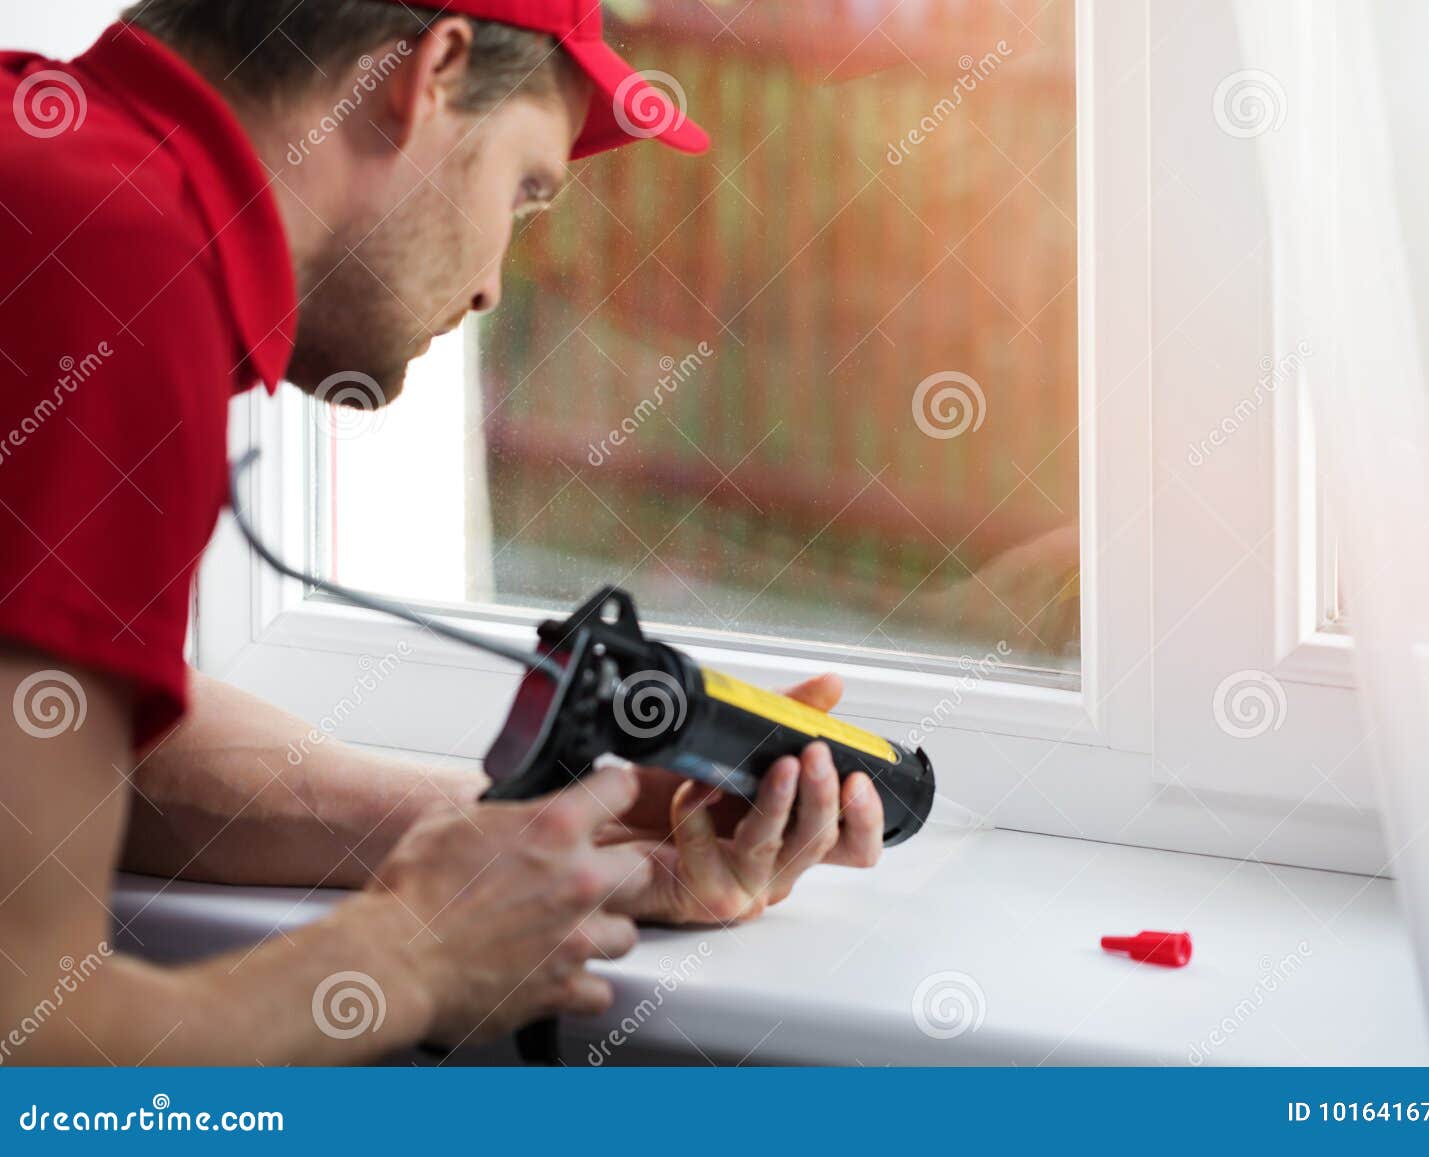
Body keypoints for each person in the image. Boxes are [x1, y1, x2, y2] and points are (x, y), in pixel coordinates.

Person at [0, 0, 885, 1064]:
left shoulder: (52, 168)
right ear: (429, 75)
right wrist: (413, 961)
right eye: (525, 189)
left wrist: (563, 829)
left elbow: (85, 771)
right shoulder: (114, 258)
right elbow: (31, 1050)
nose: (490, 284)